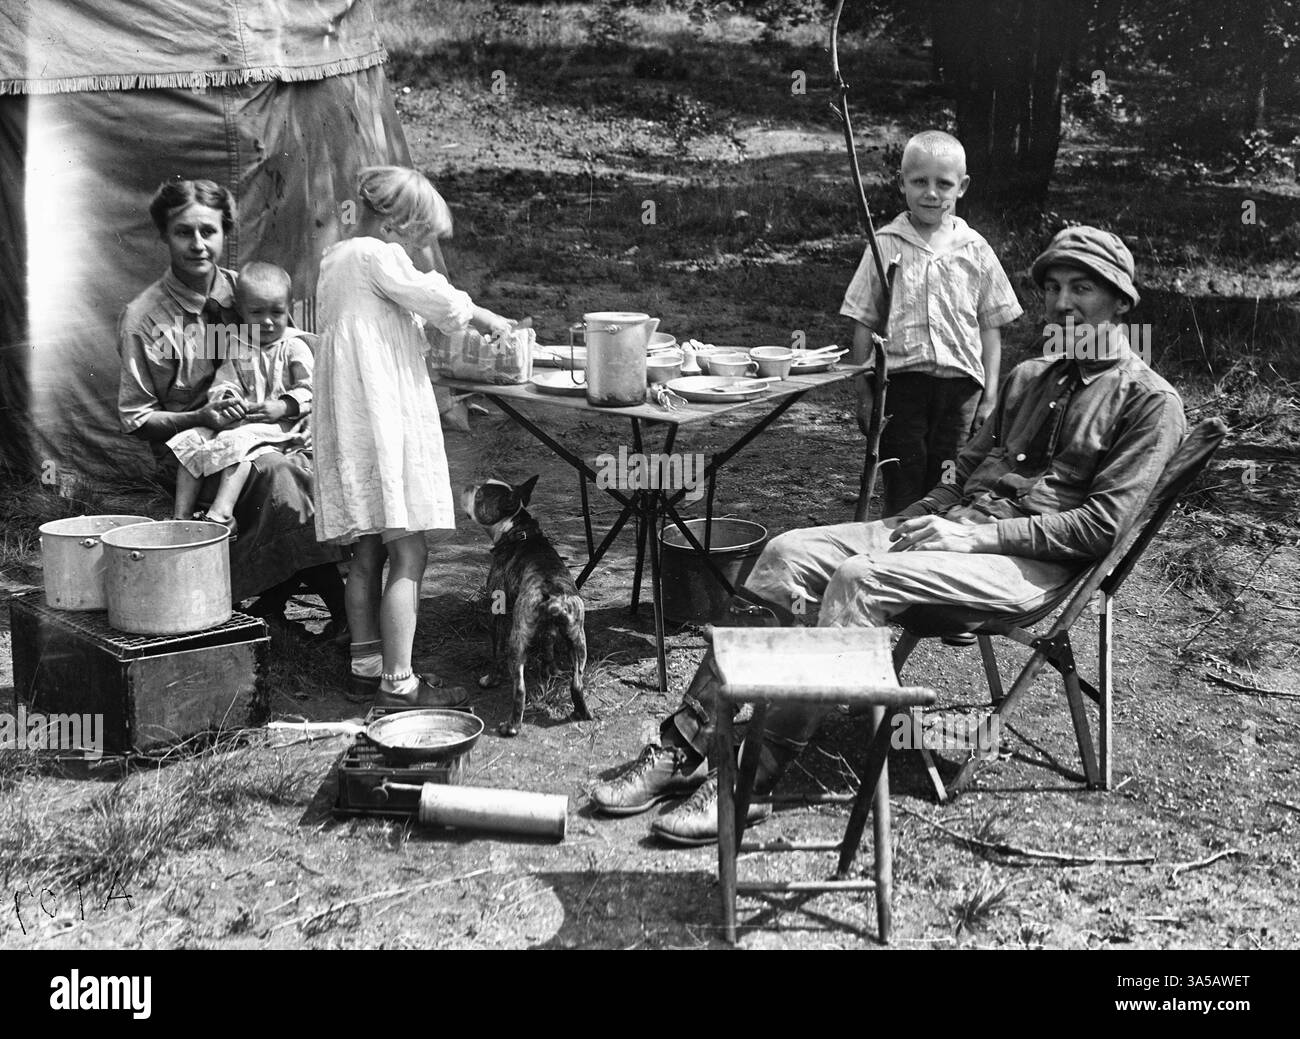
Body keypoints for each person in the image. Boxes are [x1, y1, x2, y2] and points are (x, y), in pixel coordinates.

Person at [592, 225, 1188, 845]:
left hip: (1024, 567)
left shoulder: (1149, 403)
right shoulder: (1028, 377)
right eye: (1054, 288)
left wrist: (973, 540)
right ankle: (687, 742)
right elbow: (961, 474)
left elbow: (1098, 528)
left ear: (1120, 301)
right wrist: (917, 518)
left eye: (1082, 289)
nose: (1063, 304)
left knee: (857, 581)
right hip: (951, 533)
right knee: (788, 555)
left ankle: (752, 781)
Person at [313, 166, 516, 707]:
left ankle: (365, 665)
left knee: (366, 553)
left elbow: (386, 326)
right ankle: (399, 682)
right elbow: (436, 299)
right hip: (383, 426)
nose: (425, 247)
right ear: (398, 223)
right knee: (410, 554)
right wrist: (483, 317)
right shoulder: (379, 256)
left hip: (352, 427)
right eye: (422, 234)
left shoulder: (334, 261)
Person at [118, 179, 346, 635]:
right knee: (281, 476)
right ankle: (331, 610)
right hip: (190, 451)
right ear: (164, 236)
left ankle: (277, 603)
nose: (199, 245)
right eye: (184, 232)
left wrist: (300, 418)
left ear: (225, 233)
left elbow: (292, 364)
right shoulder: (145, 319)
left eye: (210, 231)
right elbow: (136, 419)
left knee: (321, 465)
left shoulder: (253, 294)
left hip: (269, 430)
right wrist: (202, 416)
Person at [843, 130, 1023, 517]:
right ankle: (893, 558)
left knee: (952, 479)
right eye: (919, 182)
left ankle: (938, 555)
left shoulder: (974, 248)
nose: (931, 193)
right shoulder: (885, 244)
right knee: (903, 477)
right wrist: (864, 392)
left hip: (961, 390)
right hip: (900, 386)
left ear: (962, 187)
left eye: (944, 184)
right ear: (902, 184)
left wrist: (990, 395)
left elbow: (990, 327)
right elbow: (862, 322)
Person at [166, 262, 314, 534]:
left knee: (239, 442)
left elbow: (310, 389)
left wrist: (284, 405)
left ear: (288, 308)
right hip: (246, 420)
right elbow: (227, 381)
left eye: (277, 312)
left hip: (283, 426)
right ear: (242, 311)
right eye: (257, 313)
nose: (268, 321)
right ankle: (181, 517)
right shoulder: (239, 346)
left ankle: (222, 514)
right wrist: (228, 399)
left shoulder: (294, 346)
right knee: (193, 437)